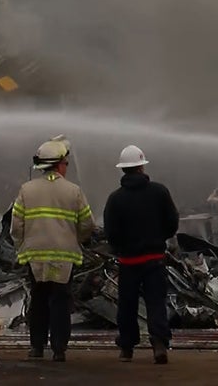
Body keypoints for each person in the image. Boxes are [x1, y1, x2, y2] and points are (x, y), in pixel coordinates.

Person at [10, 135, 95, 362]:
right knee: (60, 302)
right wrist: (77, 239)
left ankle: (36, 347)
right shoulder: (74, 191)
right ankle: (59, 350)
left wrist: (21, 247)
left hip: (35, 257)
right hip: (64, 258)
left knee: (38, 300)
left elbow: (16, 226)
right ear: (59, 165)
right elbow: (88, 224)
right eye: (65, 163)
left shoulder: (26, 190)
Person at [103, 145, 179, 364]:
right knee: (156, 303)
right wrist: (159, 239)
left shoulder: (115, 199)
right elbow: (172, 222)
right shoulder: (159, 192)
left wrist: (120, 248)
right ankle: (159, 344)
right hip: (154, 259)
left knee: (127, 305)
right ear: (141, 167)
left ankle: (126, 348)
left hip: (128, 261)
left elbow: (111, 232)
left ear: (123, 169)